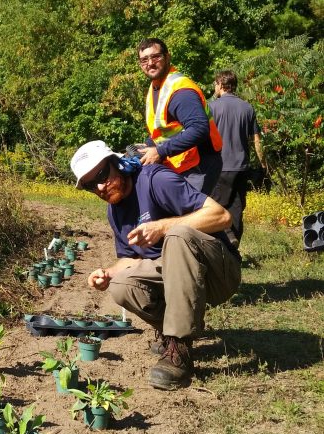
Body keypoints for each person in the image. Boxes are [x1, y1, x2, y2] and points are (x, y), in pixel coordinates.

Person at [70, 140, 241, 390]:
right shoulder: (115, 210)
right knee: (120, 285)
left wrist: (162, 227)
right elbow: (132, 259)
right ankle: (173, 332)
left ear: (116, 164)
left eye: (102, 174)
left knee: (177, 235)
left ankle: (178, 349)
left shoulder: (155, 179)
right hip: (178, 276)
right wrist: (108, 273)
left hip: (218, 273)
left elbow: (221, 216)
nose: (99, 186)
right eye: (89, 185)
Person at [136, 37, 223, 194]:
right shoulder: (156, 86)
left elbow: (199, 128)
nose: (150, 63)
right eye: (144, 60)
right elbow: (162, 130)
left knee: (192, 217)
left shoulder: (180, 90)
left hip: (199, 165)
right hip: (181, 162)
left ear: (167, 57)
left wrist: (160, 151)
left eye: (155, 57)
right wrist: (146, 147)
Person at [210, 70, 265, 247]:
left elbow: (202, 137)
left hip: (219, 167)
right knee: (237, 208)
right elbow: (257, 140)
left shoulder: (212, 107)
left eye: (215, 84)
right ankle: (234, 249)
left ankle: (222, 244)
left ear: (220, 84)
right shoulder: (247, 107)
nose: (214, 87)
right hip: (241, 167)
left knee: (215, 207)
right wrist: (263, 164)